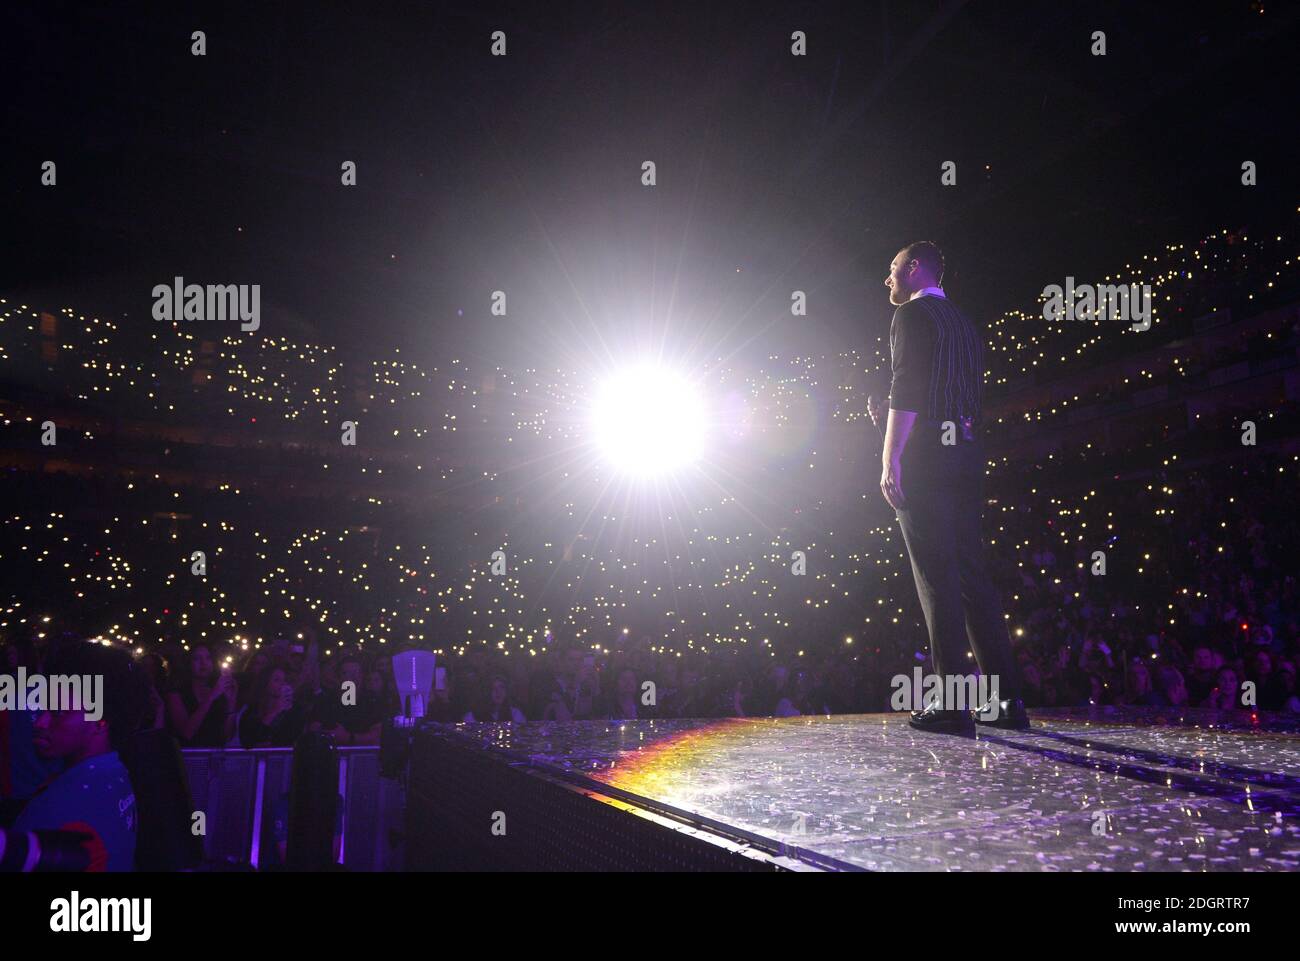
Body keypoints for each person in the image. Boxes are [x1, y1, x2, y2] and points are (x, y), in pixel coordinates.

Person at [871, 241, 1027, 732]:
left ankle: (954, 705)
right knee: (972, 576)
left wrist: (890, 454)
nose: (887, 279)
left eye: (893, 269)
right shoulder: (964, 322)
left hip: (927, 461)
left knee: (936, 579)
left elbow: (908, 389)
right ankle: (1006, 704)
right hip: (966, 454)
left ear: (915, 269)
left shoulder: (910, 318)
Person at [11, 641, 149, 871]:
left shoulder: (61, 804)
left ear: (100, 721)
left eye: (57, 712)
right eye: (42, 708)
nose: (41, 722)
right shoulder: (116, 770)